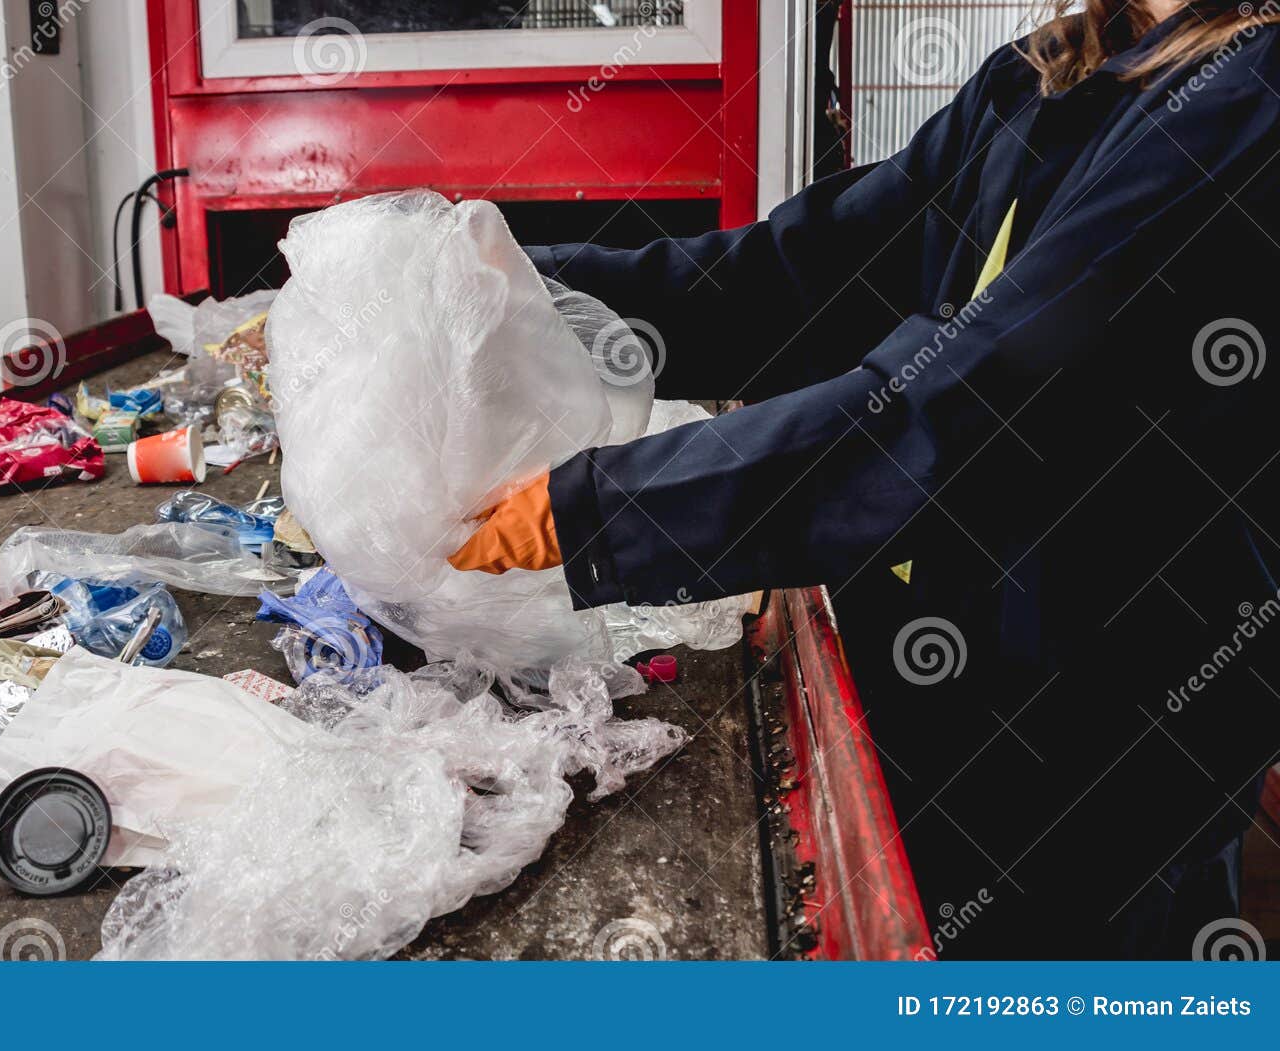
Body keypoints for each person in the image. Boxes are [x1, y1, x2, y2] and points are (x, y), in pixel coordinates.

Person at [448, 0, 1280, 959]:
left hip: (1106, 716)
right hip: (959, 656)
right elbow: (807, 272)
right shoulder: (1056, 67)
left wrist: (588, 510)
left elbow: (980, 394)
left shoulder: (1248, 98)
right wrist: (517, 293)